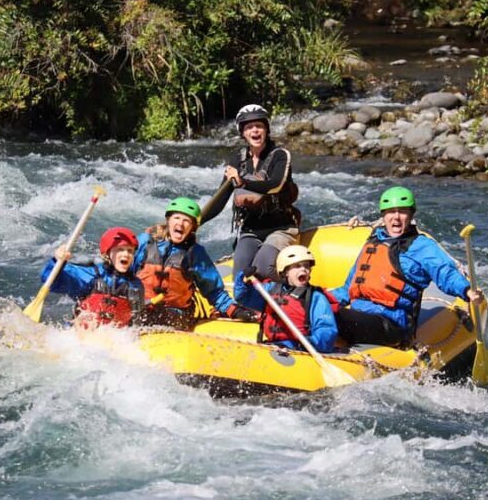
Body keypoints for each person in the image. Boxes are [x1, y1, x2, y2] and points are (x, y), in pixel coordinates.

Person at [331, 186, 484, 348]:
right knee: (312, 307)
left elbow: (444, 271)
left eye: (402, 211)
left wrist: (467, 291)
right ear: (383, 216)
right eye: (391, 212)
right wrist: (317, 298)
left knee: (327, 316)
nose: (396, 218)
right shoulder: (372, 244)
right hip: (360, 316)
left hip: (390, 323)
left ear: (411, 215)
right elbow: (347, 289)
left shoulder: (421, 246)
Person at [202, 104, 300, 283]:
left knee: (263, 267)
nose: (254, 130)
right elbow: (220, 199)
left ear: (266, 129)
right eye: (249, 127)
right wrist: (196, 222)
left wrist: (243, 182)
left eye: (259, 126)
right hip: (251, 230)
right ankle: (247, 309)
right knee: (240, 277)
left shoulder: (280, 155)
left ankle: (284, 301)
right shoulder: (237, 161)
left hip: (281, 228)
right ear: (243, 133)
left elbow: (275, 185)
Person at [133, 196, 257, 328]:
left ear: (192, 227)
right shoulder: (145, 242)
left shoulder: (195, 254)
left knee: (166, 319)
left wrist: (234, 310)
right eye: (176, 218)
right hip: (140, 307)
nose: (180, 224)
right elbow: (122, 272)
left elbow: (214, 291)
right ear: (168, 220)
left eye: (186, 221)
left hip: (175, 313)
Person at [235, 245, 338, 353]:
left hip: (299, 349)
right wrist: (242, 282)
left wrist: (309, 343)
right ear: (285, 272)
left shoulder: (315, 297)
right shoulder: (271, 289)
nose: (303, 269)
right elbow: (243, 297)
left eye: (306, 266)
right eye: (297, 266)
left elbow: (326, 329)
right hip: (272, 346)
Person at [40, 227, 145, 329]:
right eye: (120, 249)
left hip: (114, 339)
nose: (126, 254)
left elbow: (136, 322)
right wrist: (57, 261)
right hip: (80, 334)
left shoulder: (135, 285)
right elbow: (52, 282)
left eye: (130, 251)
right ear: (106, 254)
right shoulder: (90, 275)